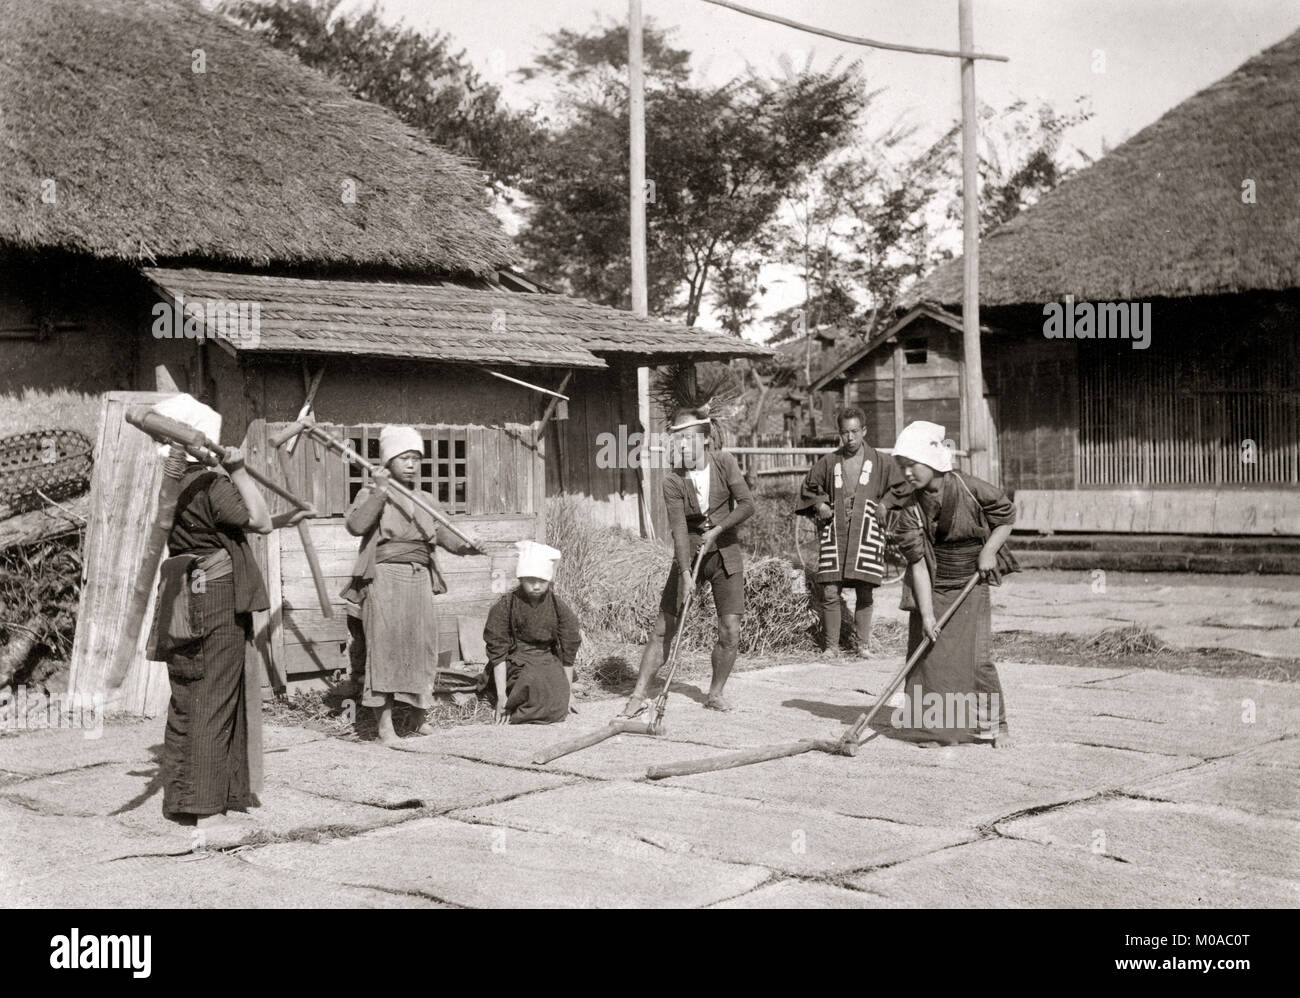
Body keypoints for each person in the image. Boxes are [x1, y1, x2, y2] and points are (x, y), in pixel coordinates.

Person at [155, 394, 279, 832]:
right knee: (215, 694)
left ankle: (183, 798)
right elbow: (261, 520)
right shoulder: (209, 485)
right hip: (216, 597)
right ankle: (207, 810)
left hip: (183, 591)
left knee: (189, 691)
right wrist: (240, 470)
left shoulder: (168, 484)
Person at [341, 425, 480, 746]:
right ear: (388, 461)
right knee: (385, 648)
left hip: (420, 581)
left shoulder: (427, 499)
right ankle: (385, 727)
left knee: (422, 647)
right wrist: (378, 491)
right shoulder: (371, 493)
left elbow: (448, 537)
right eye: (403, 458)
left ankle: (418, 719)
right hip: (385, 579)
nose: (410, 464)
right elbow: (356, 525)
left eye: (415, 458)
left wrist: (469, 545)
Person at [889, 420, 1015, 747]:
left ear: (931, 461)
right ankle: (938, 729)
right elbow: (916, 563)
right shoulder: (910, 509)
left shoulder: (970, 487)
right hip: (933, 581)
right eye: (902, 467)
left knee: (977, 658)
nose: (907, 474)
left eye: (912, 465)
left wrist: (989, 551)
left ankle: (995, 726)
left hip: (972, 580)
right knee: (930, 655)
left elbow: (1005, 517)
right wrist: (927, 615)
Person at [622, 405, 754, 715]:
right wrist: (683, 572)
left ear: (705, 440)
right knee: (664, 628)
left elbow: (747, 505)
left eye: (688, 440)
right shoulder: (673, 480)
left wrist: (719, 529)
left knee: (730, 629)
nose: (682, 447)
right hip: (690, 553)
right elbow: (679, 529)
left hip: (725, 551)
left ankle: (715, 693)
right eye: (678, 441)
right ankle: (638, 695)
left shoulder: (725, 463)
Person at [795, 407, 907, 657]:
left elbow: (901, 487)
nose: (850, 438)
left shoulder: (881, 461)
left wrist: (885, 504)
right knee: (830, 590)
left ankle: (863, 645)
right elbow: (809, 488)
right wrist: (820, 504)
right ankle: (831, 646)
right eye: (845, 433)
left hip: (867, 530)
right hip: (836, 531)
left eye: (855, 431)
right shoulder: (829, 462)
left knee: (864, 589)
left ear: (864, 431)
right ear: (839, 434)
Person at [484, 540, 581, 725]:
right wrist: (501, 696)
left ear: (549, 581)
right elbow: (498, 653)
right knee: (533, 684)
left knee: (558, 700)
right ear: (521, 580)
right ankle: (514, 706)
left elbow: (569, 650)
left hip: (546, 658)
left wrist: (568, 693)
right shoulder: (506, 605)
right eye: (530, 581)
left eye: (542, 581)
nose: (536, 586)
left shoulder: (557, 606)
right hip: (517, 659)